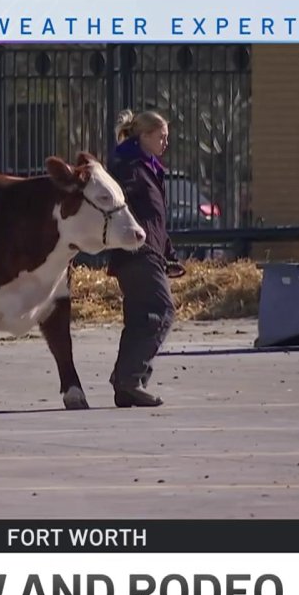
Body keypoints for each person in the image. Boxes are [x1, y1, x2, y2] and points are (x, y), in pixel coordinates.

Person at [106, 109, 185, 407]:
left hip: (148, 251)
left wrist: (170, 255)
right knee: (162, 311)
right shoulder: (128, 165)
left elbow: (155, 217)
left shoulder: (148, 167)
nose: (165, 143)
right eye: (161, 137)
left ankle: (126, 384)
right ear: (145, 136)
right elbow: (119, 202)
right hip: (137, 252)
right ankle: (130, 378)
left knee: (141, 317)